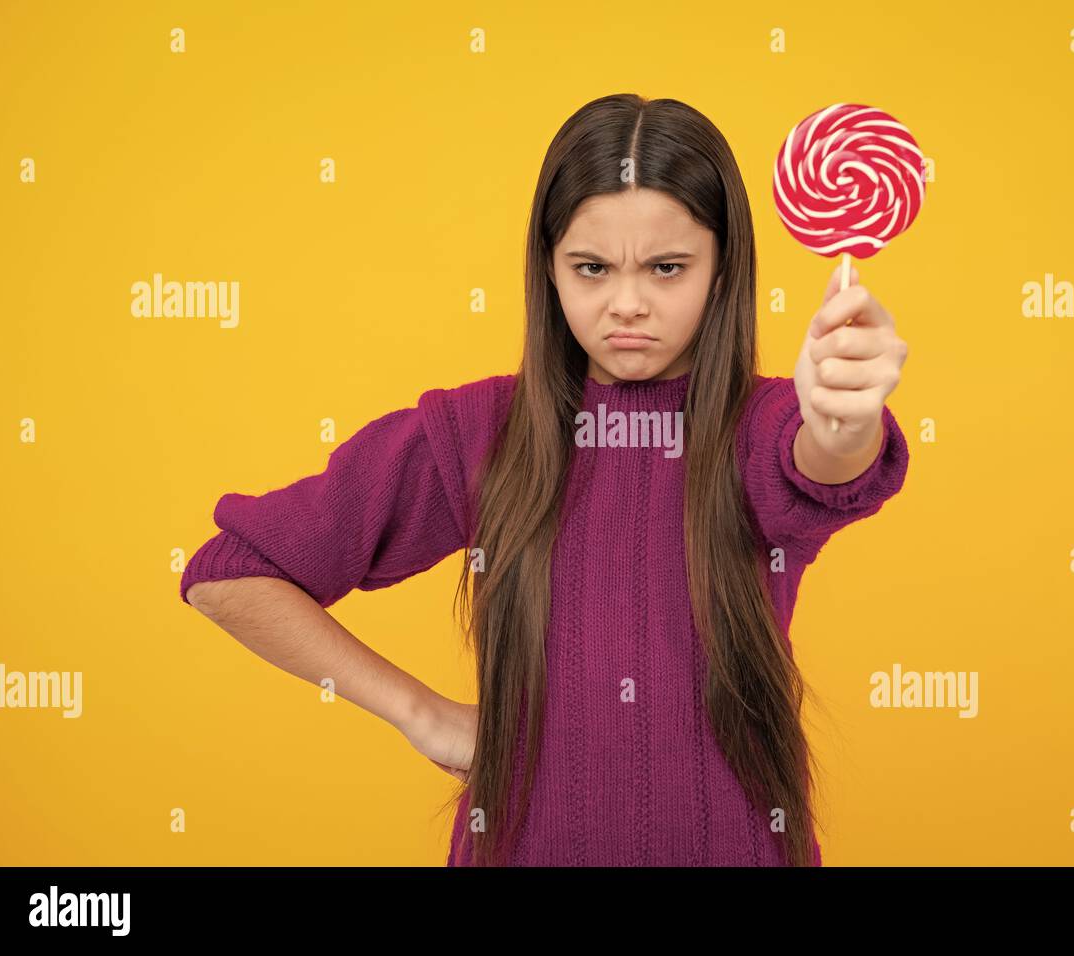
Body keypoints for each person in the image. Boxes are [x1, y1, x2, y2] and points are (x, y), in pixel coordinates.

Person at [181, 92, 910, 866]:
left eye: (668, 268)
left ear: (723, 267)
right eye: (591, 268)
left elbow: (819, 463)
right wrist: (418, 713)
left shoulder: (762, 424)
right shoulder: (480, 432)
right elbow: (230, 573)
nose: (627, 304)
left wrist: (843, 418)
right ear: (549, 267)